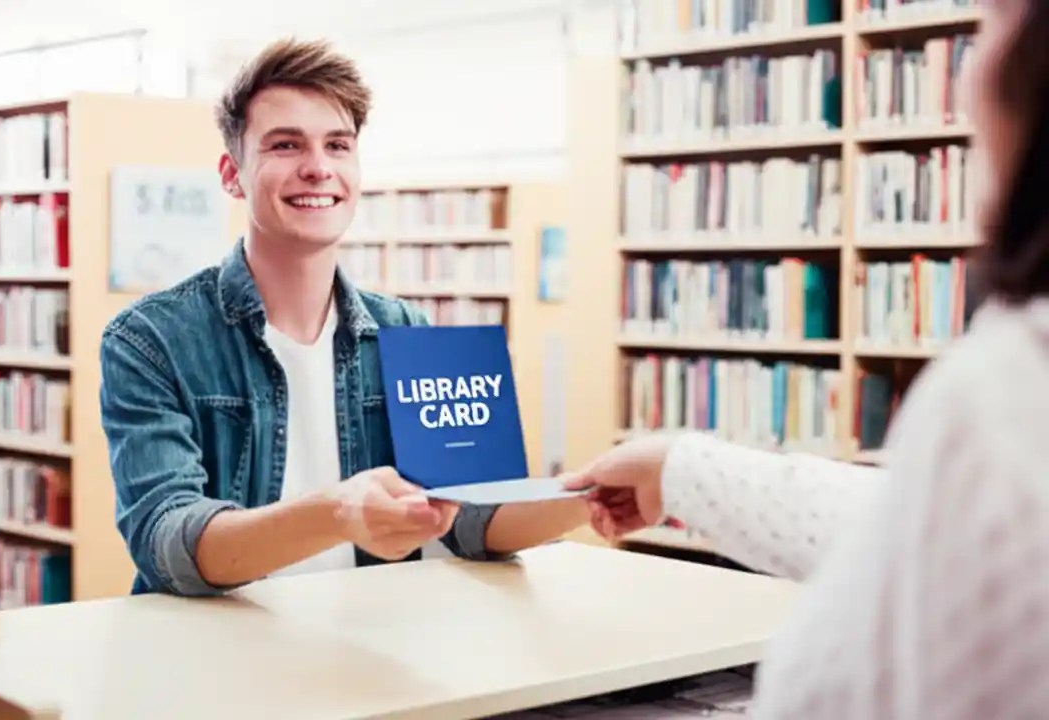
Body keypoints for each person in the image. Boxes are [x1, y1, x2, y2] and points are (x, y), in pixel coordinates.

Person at [565, 2, 1049, 717]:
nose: (975, 71)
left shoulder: (1003, 391)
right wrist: (683, 471)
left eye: (998, 23)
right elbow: (917, 531)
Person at [99, 37, 587, 597]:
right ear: (232, 173)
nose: (317, 168)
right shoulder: (150, 339)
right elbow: (168, 542)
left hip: (368, 652)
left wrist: (591, 494)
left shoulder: (410, 330)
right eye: (285, 145)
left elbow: (475, 521)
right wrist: (336, 512)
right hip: (215, 661)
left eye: (337, 145)